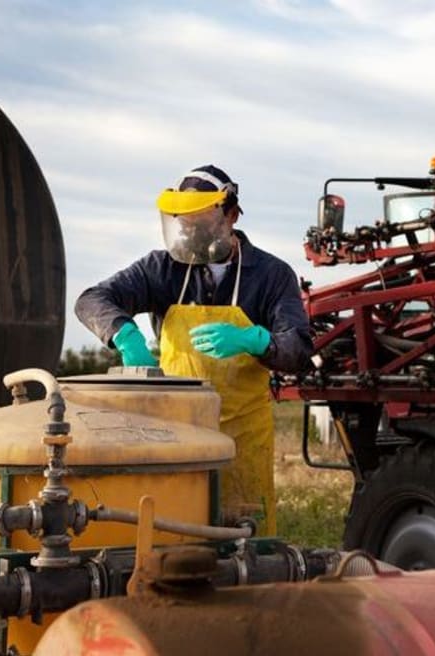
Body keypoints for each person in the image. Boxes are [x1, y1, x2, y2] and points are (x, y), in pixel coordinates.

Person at [75, 164, 312, 535]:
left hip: (242, 439)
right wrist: (124, 335)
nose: (191, 232)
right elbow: (92, 299)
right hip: (176, 436)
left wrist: (256, 340)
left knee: (244, 544)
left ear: (231, 215)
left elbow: (298, 351)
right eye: (185, 223)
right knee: (173, 540)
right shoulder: (162, 268)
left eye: (201, 221)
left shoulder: (271, 275)